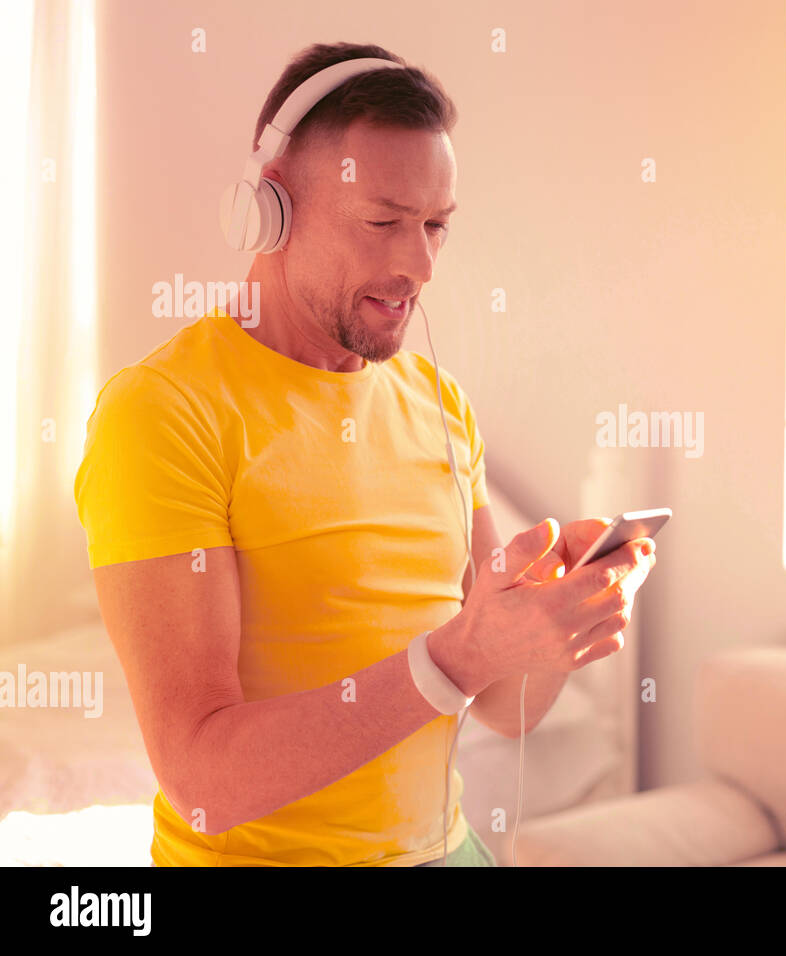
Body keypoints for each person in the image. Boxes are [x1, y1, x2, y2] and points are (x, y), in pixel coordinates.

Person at [73, 41, 656, 867]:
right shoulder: (164, 412)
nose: (417, 264)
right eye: (383, 221)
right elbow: (202, 780)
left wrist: (544, 629)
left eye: (436, 227)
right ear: (268, 208)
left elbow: (504, 706)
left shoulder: (438, 402)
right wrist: (456, 653)